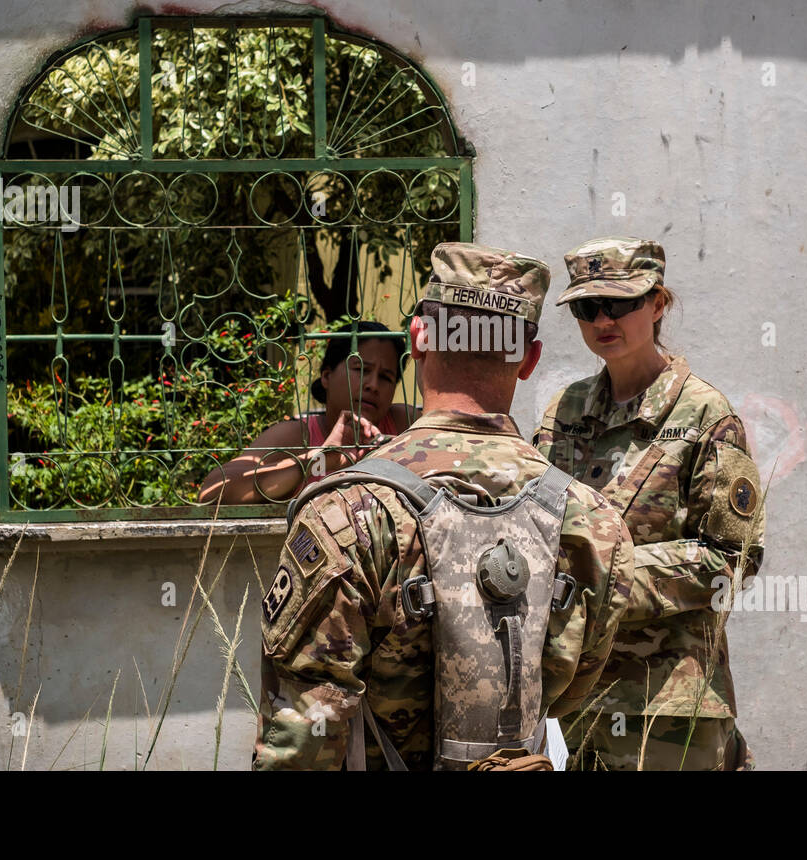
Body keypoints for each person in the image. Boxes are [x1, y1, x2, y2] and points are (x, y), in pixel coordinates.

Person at [252, 243, 633, 770]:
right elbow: (569, 692)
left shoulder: (348, 509)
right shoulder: (593, 520)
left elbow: (304, 730)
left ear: (419, 338)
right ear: (529, 360)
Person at [533, 236, 766, 771]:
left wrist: (603, 577)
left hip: (668, 712)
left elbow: (730, 561)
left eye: (620, 304)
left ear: (658, 303)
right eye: (588, 308)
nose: (602, 320)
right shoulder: (564, 413)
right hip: (575, 704)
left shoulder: (705, 414)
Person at [198, 321, 419, 504]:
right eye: (361, 369)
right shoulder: (297, 436)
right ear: (326, 376)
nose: (373, 385)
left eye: (386, 377)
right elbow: (211, 492)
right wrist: (319, 459)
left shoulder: (403, 424)